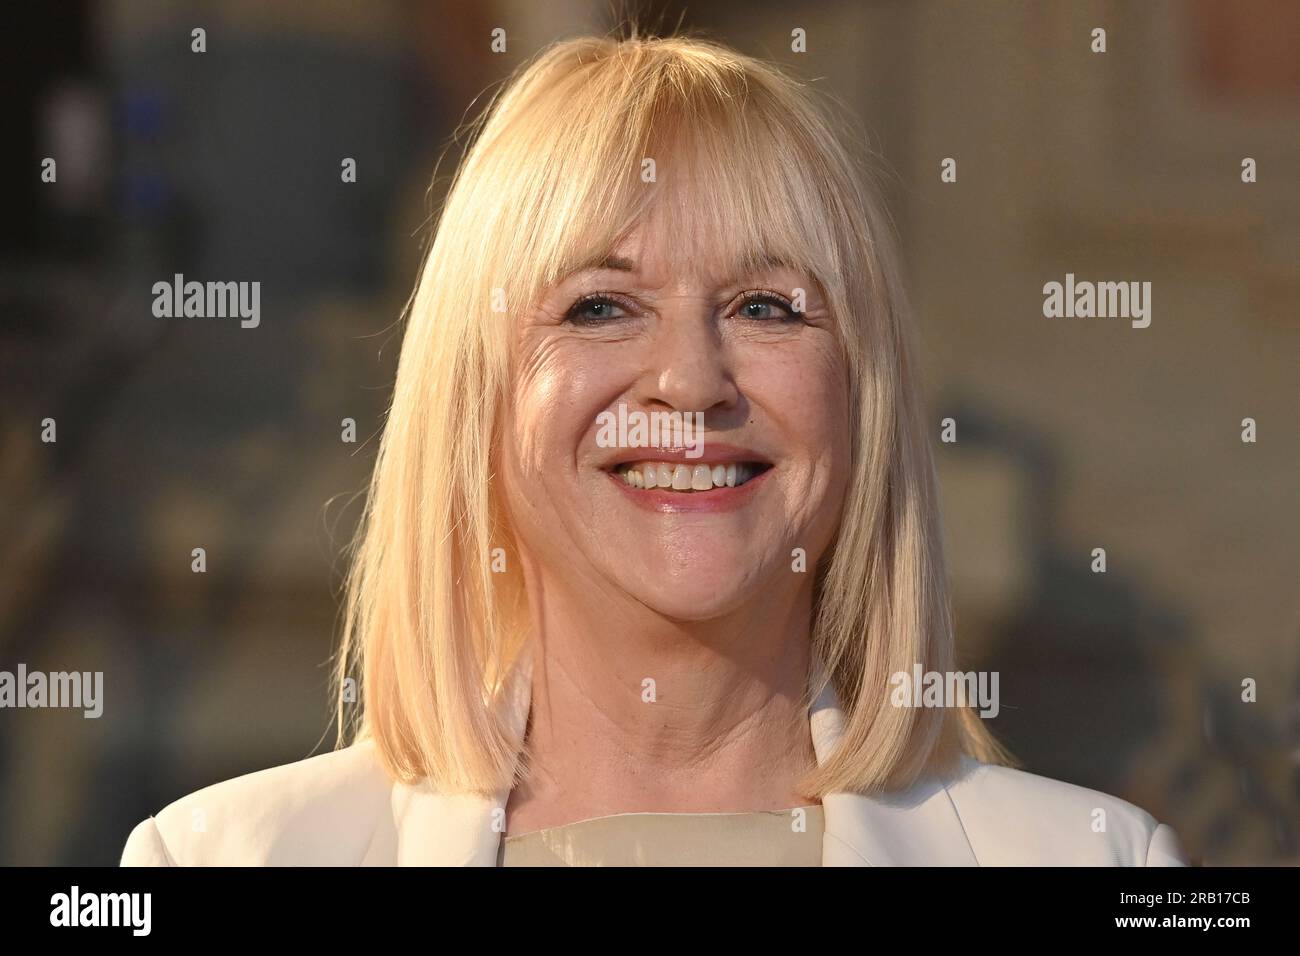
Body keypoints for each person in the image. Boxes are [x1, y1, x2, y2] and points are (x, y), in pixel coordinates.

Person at [121, 31, 1186, 867]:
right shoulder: (215, 858)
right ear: (477, 399)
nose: (690, 380)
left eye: (768, 305)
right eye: (599, 307)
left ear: (860, 399)